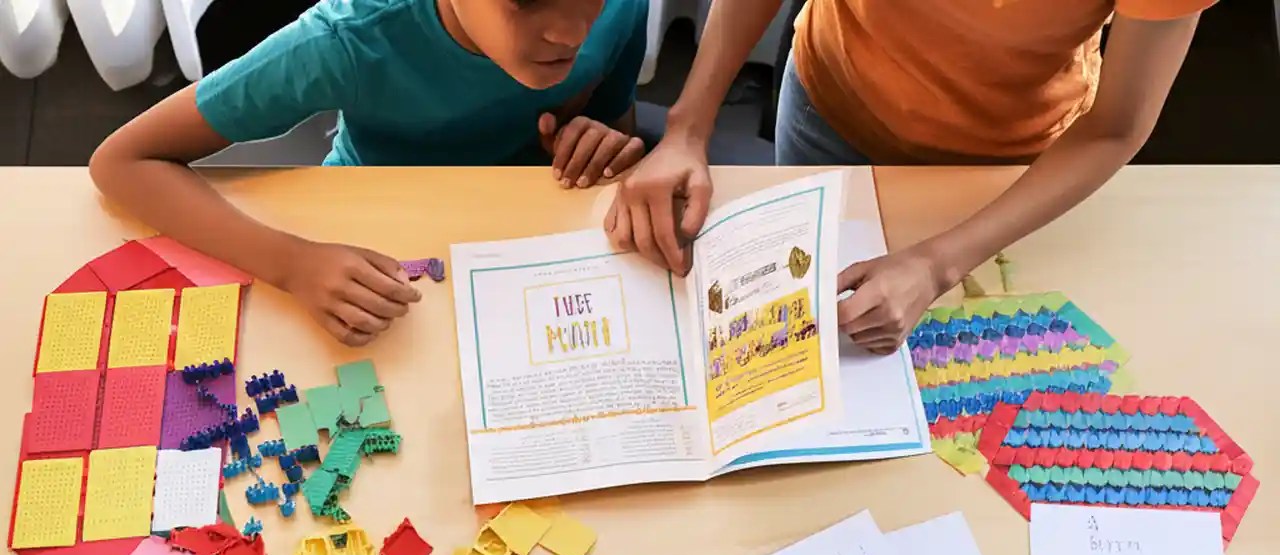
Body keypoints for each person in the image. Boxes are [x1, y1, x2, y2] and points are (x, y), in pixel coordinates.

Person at [607, 0, 1209, 354]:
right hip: (831, 104)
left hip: (1008, 173)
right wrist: (687, 129)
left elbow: (1117, 126)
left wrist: (937, 264)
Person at [91, 0, 648, 346]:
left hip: (524, 244)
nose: (572, 30)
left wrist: (599, 141)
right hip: (376, 257)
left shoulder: (619, 8)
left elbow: (613, 124)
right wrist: (291, 263)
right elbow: (123, 161)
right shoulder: (348, 40)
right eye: (526, 1)